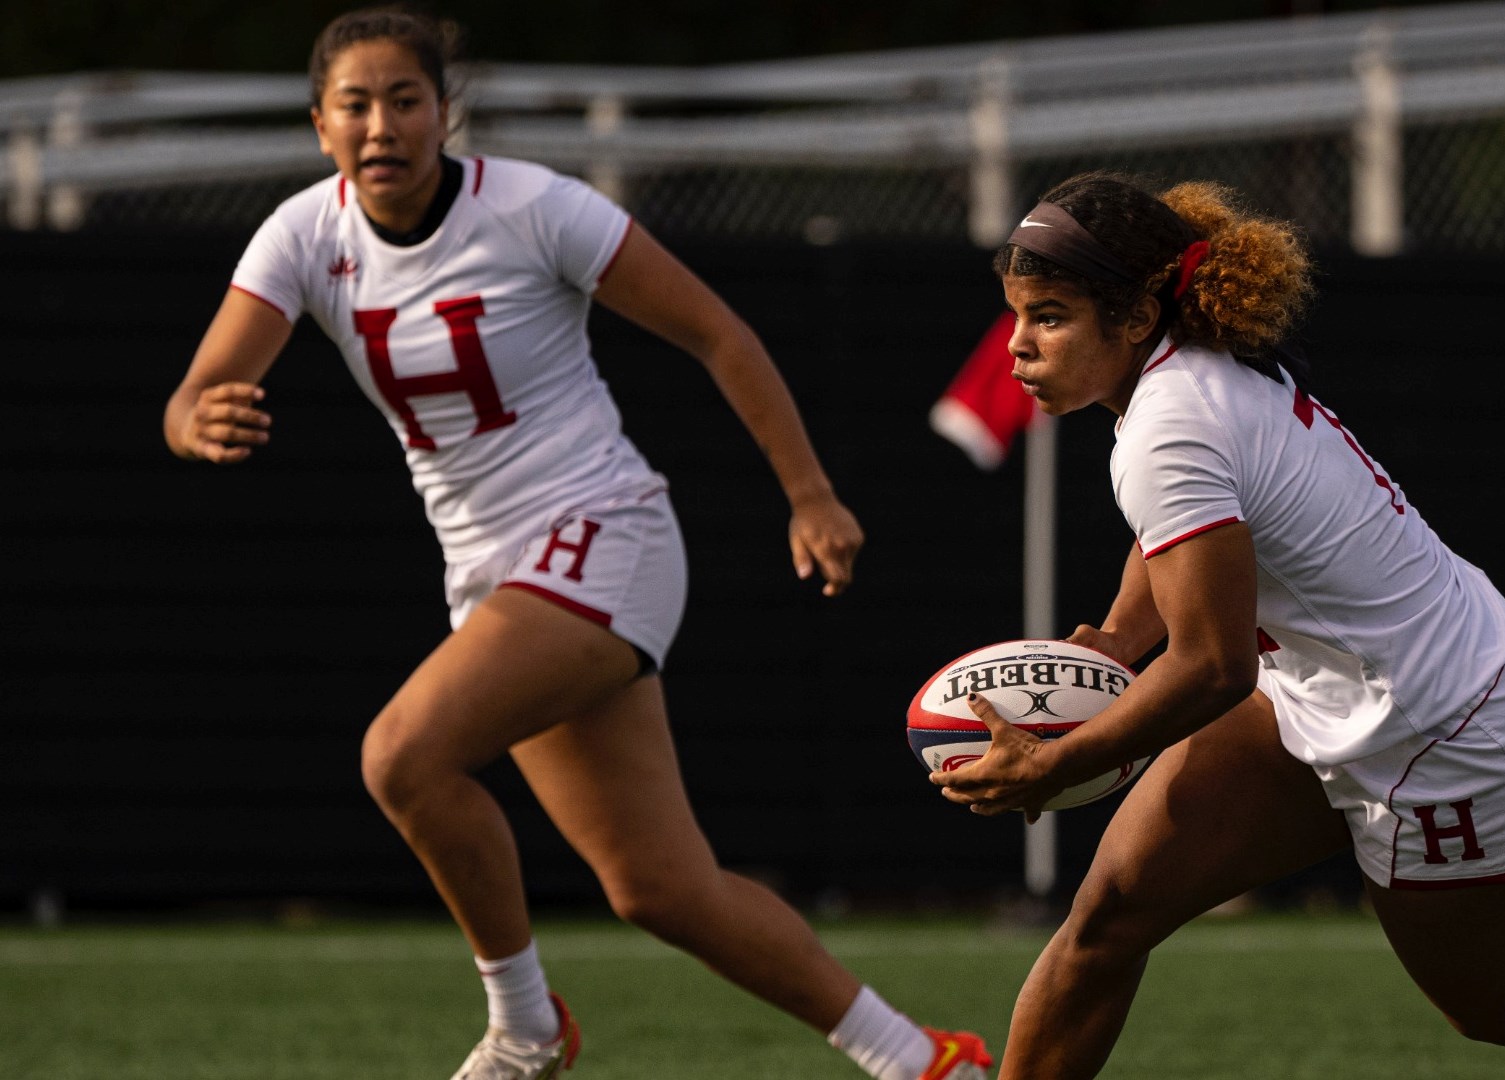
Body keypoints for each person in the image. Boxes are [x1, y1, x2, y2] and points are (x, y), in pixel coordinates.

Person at [163, 10, 992, 1080]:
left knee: (401, 757)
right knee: (661, 890)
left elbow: (718, 333)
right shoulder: (300, 237)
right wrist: (196, 422)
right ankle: (927, 1060)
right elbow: (193, 394)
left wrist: (810, 494)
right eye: (356, 105)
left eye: (406, 99)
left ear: (445, 112)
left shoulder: (532, 205)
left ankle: (526, 1026)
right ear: (320, 125)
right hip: (496, 575)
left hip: (604, 534)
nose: (383, 125)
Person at [929, 172, 1505, 1080]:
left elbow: (1215, 667)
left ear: (1137, 315)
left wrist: (1065, 760)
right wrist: (1115, 643)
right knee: (1104, 924)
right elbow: (1184, 544)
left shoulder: (1168, 424)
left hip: (1454, 732)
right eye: (1017, 315)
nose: (1017, 347)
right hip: (1332, 699)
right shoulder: (1184, 377)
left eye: (1048, 317)